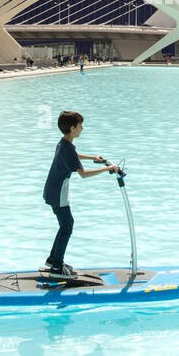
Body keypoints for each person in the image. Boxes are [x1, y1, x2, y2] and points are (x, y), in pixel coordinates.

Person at [42, 110, 120, 277]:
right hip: (58, 193)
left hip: (52, 190)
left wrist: (93, 157)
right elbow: (83, 174)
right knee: (67, 225)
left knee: (65, 225)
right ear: (72, 128)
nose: (82, 128)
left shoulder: (63, 143)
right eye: (80, 125)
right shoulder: (67, 148)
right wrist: (108, 168)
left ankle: (53, 259)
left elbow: (74, 156)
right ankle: (56, 268)